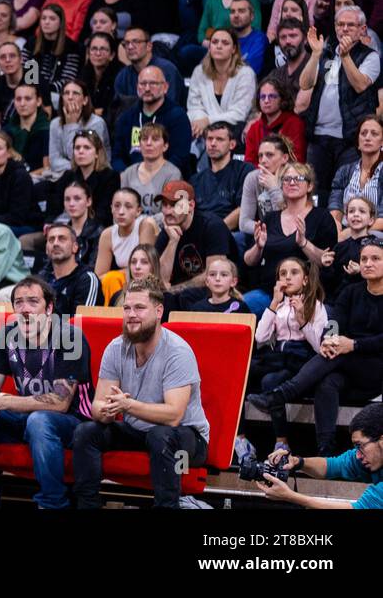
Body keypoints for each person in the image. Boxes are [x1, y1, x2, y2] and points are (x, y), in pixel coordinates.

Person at [0, 276, 94, 509]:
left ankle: (53, 503)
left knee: (40, 421)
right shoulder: (9, 334)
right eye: (18, 303)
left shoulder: (69, 337)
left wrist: (5, 403)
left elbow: (60, 402)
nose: (25, 309)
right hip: (25, 418)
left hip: (72, 423)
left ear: (49, 308)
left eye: (32, 302)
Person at [72, 280, 211, 509]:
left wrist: (126, 405)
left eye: (139, 308)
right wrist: (105, 412)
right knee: (86, 432)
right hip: (139, 432)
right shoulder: (116, 348)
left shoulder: (177, 351)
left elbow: (173, 416)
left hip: (188, 443)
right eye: (127, 308)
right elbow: (98, 404)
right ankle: (87, 505)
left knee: (161, 436)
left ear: (158, 312)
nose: (131, 315)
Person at [249, 238, 383, 457]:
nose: (367, 263)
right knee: (327, 382)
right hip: (345, 364)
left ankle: (280, 394)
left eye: (375, 259)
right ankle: (325, 450)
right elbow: (335, 321)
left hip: (374, 368)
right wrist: (331, 339)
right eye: (364, 259)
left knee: (336, 354)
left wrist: (354, 344)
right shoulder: (351, 292)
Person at [299, 6, 380, 202]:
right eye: (340, 24)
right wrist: (315, 55)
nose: (344, 29)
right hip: (319, 137)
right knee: (315, 194)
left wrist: (345, 57)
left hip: (349, 139)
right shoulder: (325, 52)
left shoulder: (370, 56)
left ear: (362, 29)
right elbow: (305, 83)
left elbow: (360, 84)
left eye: (350, 25)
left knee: (345, 194)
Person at [257, 404, 383, 509]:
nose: (358, 455)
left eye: (360, 446)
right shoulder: (366, 455)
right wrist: (297, 462)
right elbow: (331, 466)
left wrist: (290, 496)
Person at [158, 180, 239, 289]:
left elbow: (215, 277)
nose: (167, 212)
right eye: (164, 204)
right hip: (182, 294)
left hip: (219, 293)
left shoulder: (212, 226)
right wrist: (173, 241)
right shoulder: (168, 229)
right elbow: (160, 280)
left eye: (174, 205)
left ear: (191, 205)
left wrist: (174, 290)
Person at [34, 223, 103, 315]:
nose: (55, 243)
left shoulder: (87, 279)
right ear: (46, 249)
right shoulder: (40, 280)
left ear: (75, 247)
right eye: (51, 240)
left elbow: (81, 323)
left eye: (62, 239)